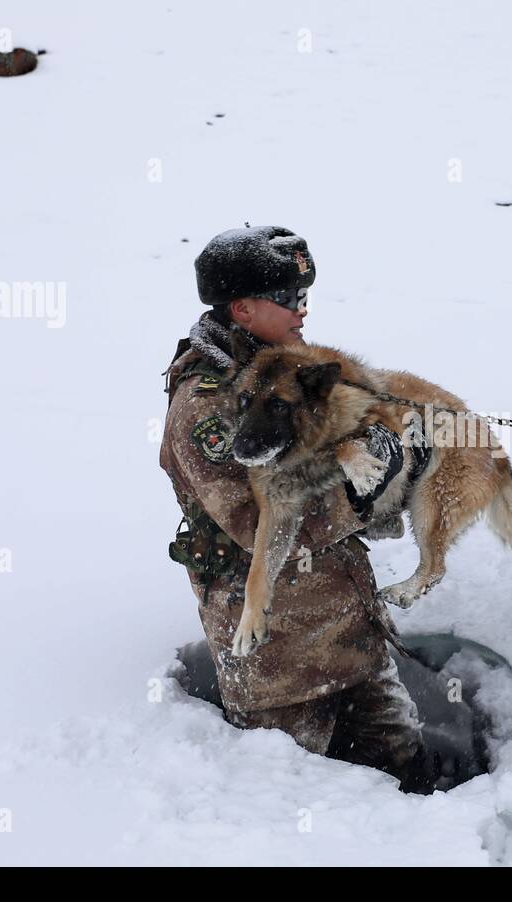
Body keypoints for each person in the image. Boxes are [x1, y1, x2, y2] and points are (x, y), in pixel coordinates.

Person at [160, 226, 423, 779]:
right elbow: (259, 521)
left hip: (352, 635)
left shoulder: (291, 369)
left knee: (411, 784)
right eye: (289, 300)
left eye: (304, 298)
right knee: (301, 807)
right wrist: (362, 488)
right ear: (243, 309)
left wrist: (387, 456)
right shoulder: (207, 405)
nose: (302, 312)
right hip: (281, 666)